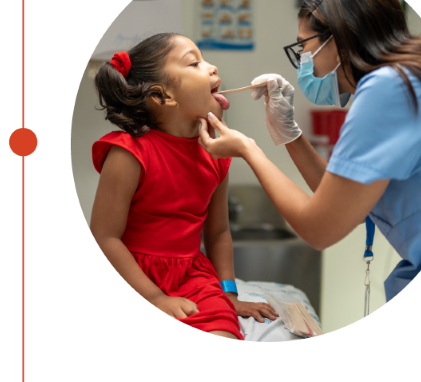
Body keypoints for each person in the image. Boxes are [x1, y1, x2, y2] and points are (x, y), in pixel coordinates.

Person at [198, 0, 421, 304]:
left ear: (339, 39)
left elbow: (319, 229)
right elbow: (338, 197)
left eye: (305, 45)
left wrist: (248, 149)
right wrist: (289, 133)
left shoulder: (388, 90)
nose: (304, 60)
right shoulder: (413, 77)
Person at [89, 33, 279, 341]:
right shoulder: (128, 153)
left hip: (194, 277)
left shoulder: (217, 154)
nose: (213, 68)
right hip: (130, 274)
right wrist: (155, 298)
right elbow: (105, 237)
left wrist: (229, 294)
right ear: (161, 96)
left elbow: (217, 233)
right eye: (195, 62)